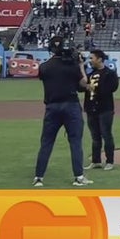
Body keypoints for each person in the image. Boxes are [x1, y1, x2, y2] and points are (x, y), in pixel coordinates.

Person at [32, 36, 92, 187]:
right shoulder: (72, 65)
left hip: (52, 107)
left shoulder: (44, 66)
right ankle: (78, 177)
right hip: (71, 105)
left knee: (46, 142)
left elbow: (44, 76)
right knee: (75, 142)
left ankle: (39, 177)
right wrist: (80, 65)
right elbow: (83, 83)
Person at [82, 50, 119, 171]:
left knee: (106, 135)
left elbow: (112, 88)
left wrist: (93, 88)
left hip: (105, 109)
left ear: (99, 59)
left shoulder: (110, 73)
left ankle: (110, 161)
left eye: (92, 58)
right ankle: (96, 161)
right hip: (91, 108)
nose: (90, 60)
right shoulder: (91, 74)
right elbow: (81, 88)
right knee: (95, 137)